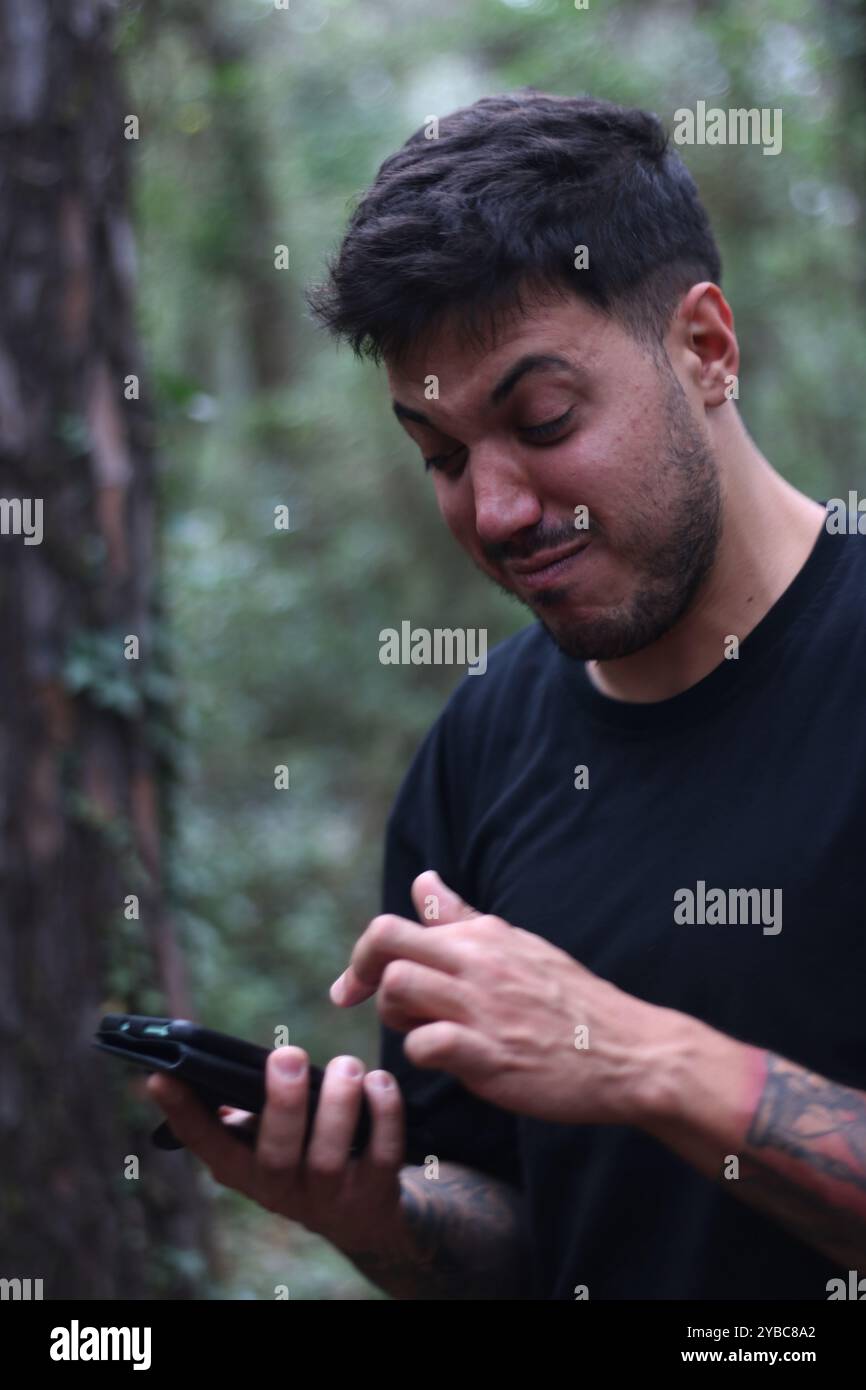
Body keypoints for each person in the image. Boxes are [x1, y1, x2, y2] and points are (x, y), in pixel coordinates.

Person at [148, 91, 866, 1300]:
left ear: (703, 349)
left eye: (540, 419)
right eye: (438, 454)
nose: (492, 512)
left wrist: (632, 1052)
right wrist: (369, 1211)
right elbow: (525, 1242)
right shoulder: (476, 751)